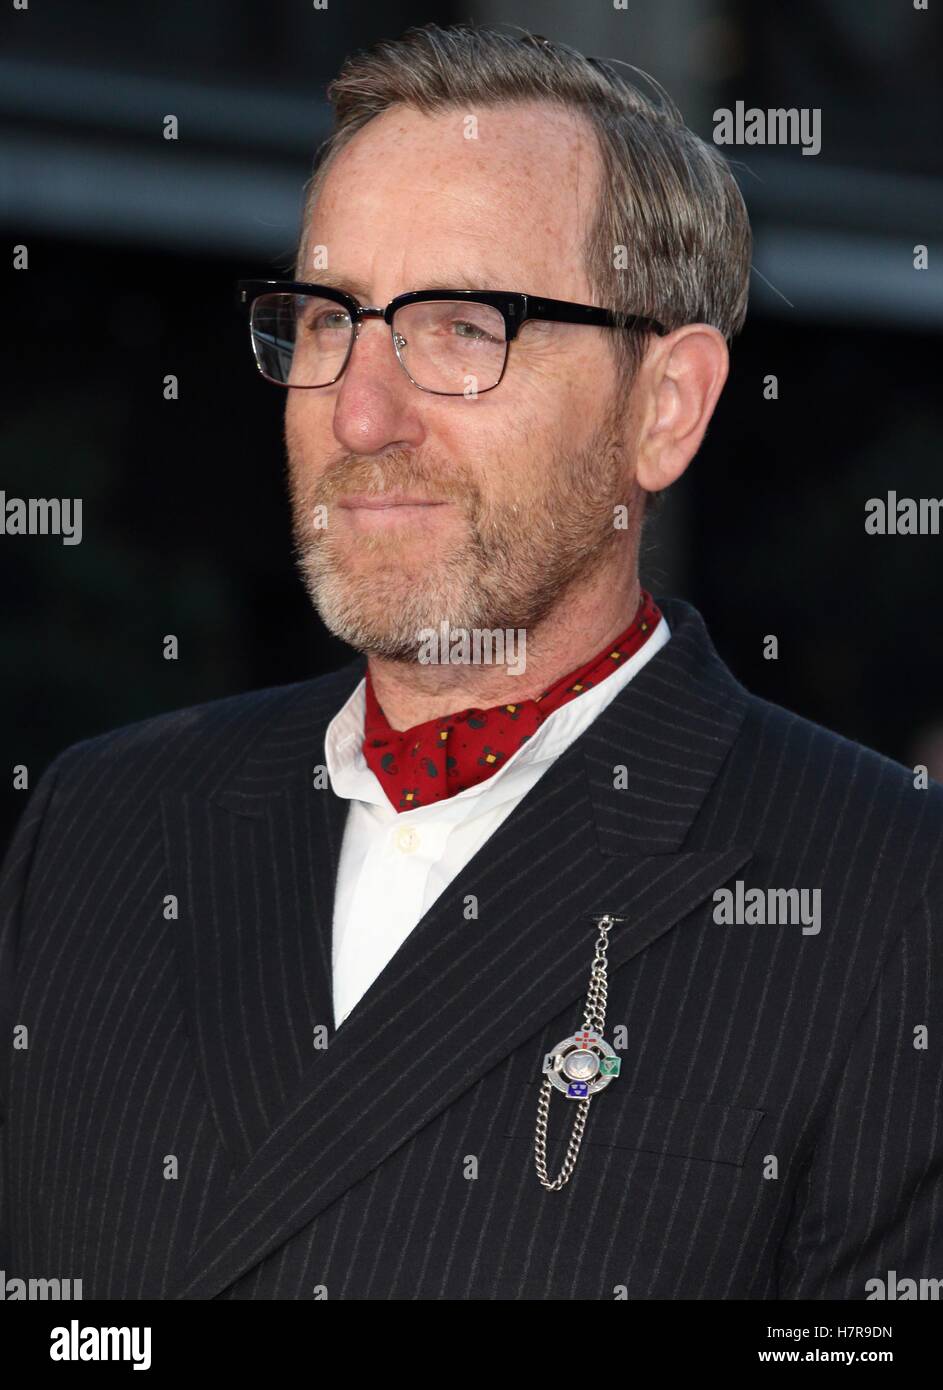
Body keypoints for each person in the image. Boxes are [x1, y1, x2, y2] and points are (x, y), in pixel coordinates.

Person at [2, 23, 941, 1302]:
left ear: (662, 406)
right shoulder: (95, 823)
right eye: (327, 321)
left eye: (460, 327)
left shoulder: (885, 892)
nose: (359, 411)